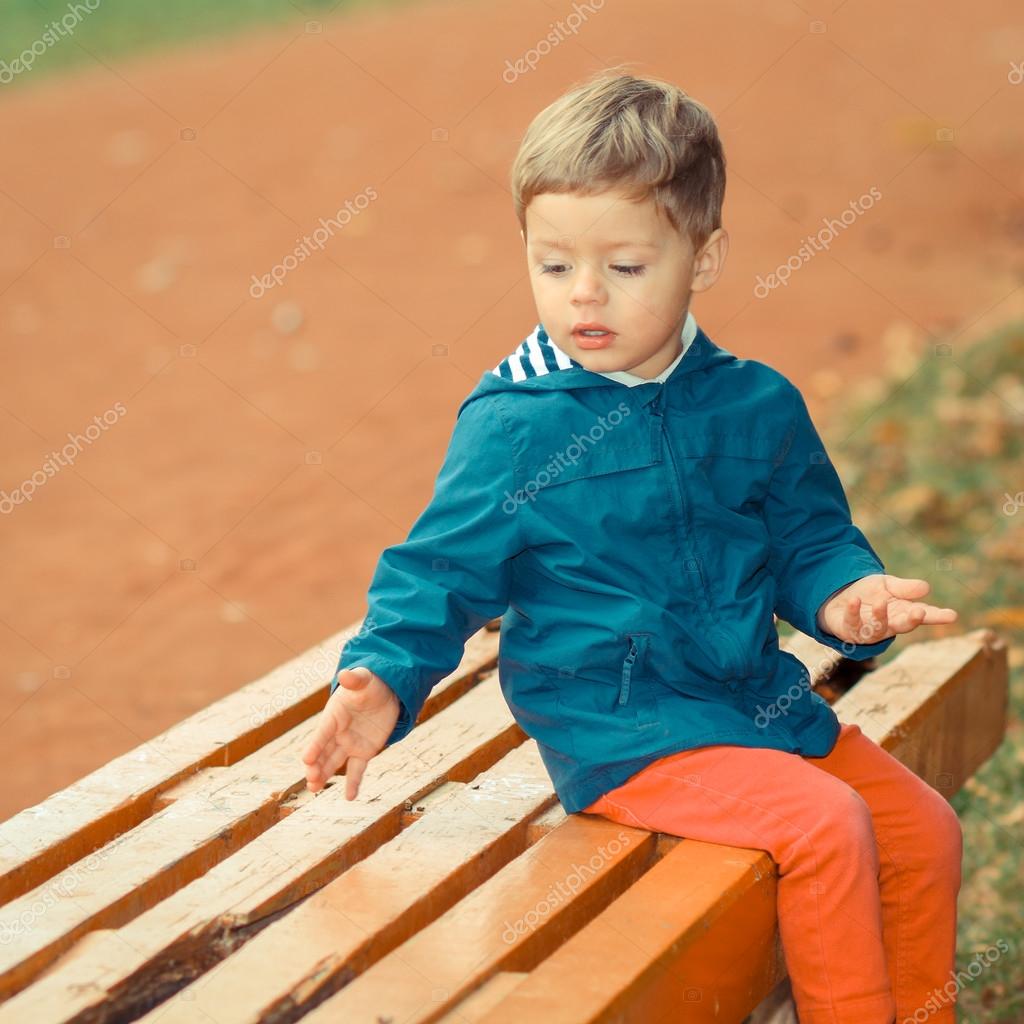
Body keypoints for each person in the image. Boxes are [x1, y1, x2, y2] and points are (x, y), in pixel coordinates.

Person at [301, 66, 962, 1024]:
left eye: (625, 265)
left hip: (756, 705)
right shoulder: (516, 424)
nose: (584, 297)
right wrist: (384, 679)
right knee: (827, 826)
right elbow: (438, 572)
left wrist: (846, 598)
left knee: (923, 831)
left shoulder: (754, 403)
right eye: (554, 264)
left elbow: (809, 540)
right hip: (623, 729)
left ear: (704, 255)